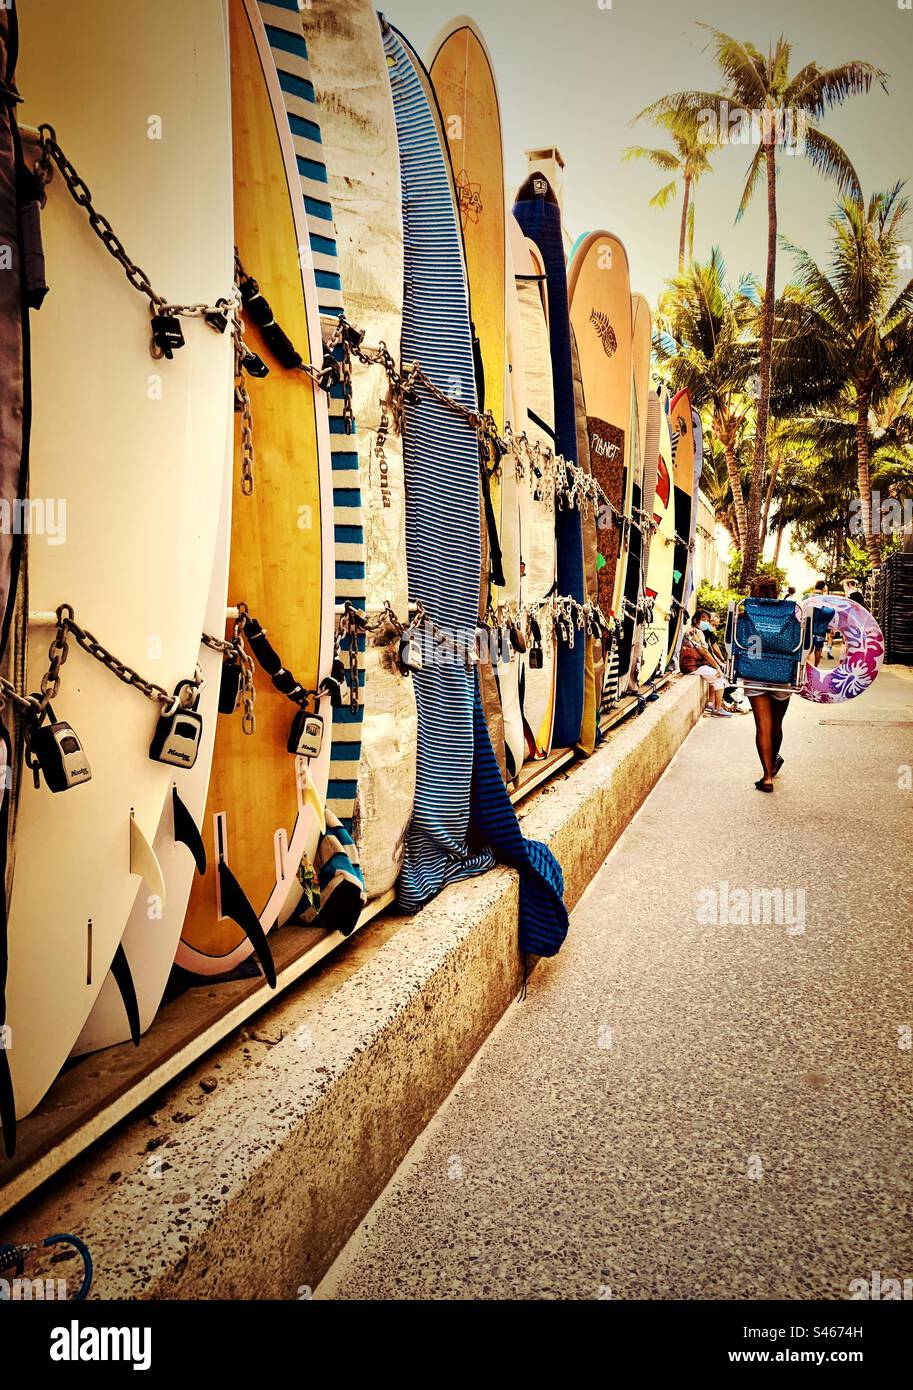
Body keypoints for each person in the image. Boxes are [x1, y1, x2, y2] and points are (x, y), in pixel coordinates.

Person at [743, 575, 793, 792]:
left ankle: (767, 777)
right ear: (776, 591)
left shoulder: (745, 613)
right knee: (776, 724)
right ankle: (772, 763)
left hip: (754, 670)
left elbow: (733, 643)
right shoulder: (790, 612)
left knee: (762, 726)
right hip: (782, 673)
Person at [679, 614, 733, 717]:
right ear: (695, 620)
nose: (706, 622)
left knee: (717, 676)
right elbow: (704, 652)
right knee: (718, 677)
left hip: (694, 665)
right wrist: (717, 667)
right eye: (703, 619)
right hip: (692, 666)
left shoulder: (697, 632)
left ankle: (713, 705)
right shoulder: (693, 632)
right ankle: (717, 709)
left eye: (707, 620)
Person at [807, 578, 828, 666]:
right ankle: (816, 667)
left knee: (807, 649)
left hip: (808, 627)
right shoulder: (825, 599)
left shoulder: (808, 596)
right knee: (818, 649)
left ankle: (805, 668)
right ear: (823, 588)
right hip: (821, 627)